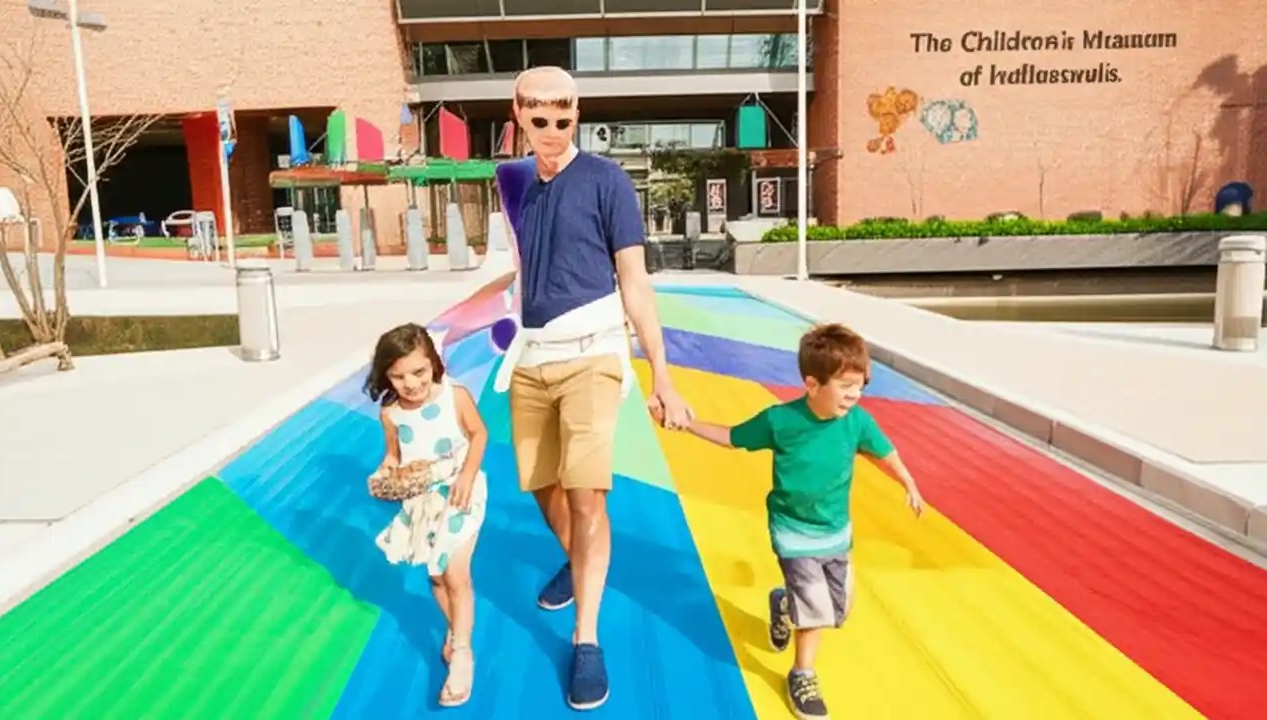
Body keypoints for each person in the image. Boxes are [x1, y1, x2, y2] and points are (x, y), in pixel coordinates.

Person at [497, 66, 693, 711]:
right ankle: (576, 557)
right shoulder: (513, 180)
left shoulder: (608, 180)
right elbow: (520, 266)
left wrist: (660, 371)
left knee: (587, 497)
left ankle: (586, 638)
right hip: (531, 357)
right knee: (541, 485)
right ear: (519, 114)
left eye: (565, 117)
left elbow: (634, 280)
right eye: (540, 118)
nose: (553, 130)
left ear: (577, 115)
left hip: (592, 354)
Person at [676, 323, 925, 720]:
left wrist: (908, 482)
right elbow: (733, 436)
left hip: (836, 533)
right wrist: (686, 423)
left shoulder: (856, 421)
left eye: (859, 386)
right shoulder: (781, 421)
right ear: (812, 385)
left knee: (838, 610)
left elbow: (883, 451)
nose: (854, 395)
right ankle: (802, 673)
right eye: (845, 386)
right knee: (815, 609)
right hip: (792, 532)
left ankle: (783, 603)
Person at [364, 323, 489, 708]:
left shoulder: (455, 395)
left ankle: (463, 654)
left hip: (459, 492)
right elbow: (394, 454)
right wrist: (386, 471)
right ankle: (455, 629)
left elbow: (478, 434)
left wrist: (466, 475)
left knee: (455, 573)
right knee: (435, 576)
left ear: (433, 363)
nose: (411, 384)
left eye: (418, 372)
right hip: (420, 504)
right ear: (386, 376)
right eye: (398, 376)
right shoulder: (391, 414)